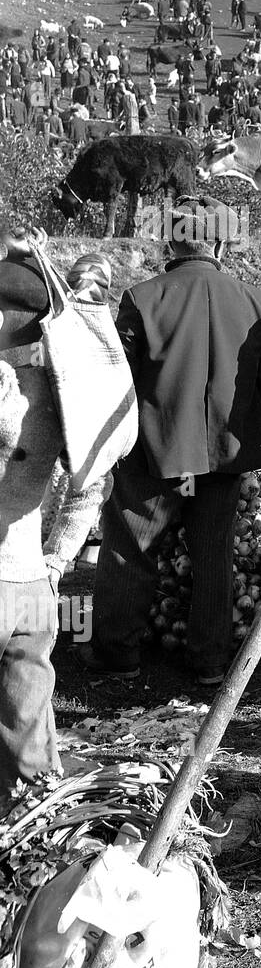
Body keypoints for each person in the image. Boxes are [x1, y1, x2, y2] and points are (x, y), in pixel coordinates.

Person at [82, 199, 261, 688]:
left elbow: (117, 380)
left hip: (155, 452)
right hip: (223, 457)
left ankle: (117, 654)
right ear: (216, 243)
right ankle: (209, 662)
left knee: (131, 548)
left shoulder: (143, 297)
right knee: (214, 554)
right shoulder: (255, 301)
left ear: (170, 241)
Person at [0, 233, 110, 800]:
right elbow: (95, 480)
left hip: (20, 582)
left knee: (25, 727)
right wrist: (57, 560)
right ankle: (24, 842)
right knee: (28, 739)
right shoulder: (65, 391)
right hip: (29, 586)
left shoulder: (22, 390)